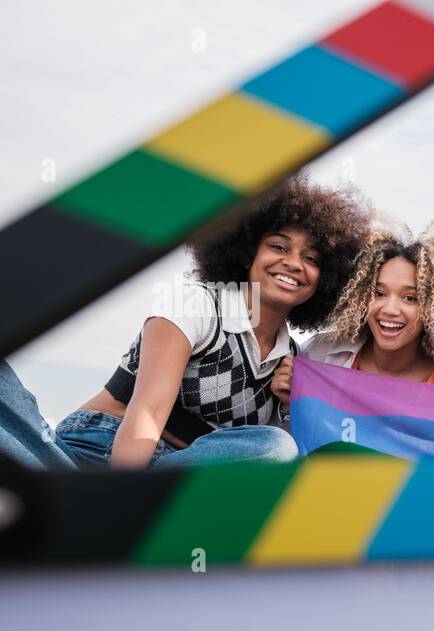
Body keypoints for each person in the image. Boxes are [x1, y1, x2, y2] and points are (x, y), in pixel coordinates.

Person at [0, 173, 369, 469]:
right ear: (246, 253)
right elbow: (148, 410)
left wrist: (289, 406)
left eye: (312, 258)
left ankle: (68, 508)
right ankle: (77, 500)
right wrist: (115, 503)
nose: (293, 263)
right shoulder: (195, 304)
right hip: (101, 448)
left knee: (275, 446)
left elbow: (258, 457)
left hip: (178, 475)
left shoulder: (292, 356)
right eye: (278, 246)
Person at [272, 220, 434, 406]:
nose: (390, 309)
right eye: (379, 293)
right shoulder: (321, 355)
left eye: (410, 298)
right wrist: (291, 405)